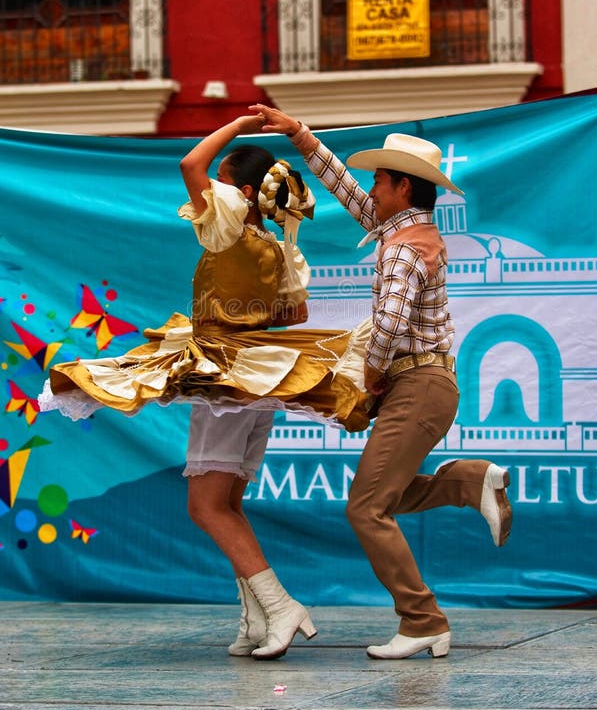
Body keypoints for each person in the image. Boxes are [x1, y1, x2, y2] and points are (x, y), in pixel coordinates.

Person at [43, 112, 371, 660]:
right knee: (228, 503)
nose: (208, 187)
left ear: (242, 191)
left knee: (205, 506)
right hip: (261, 374)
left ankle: (283, 605)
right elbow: (295, 312)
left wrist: (239, 125)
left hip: (224, 375)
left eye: (221, 181)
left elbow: (187, 161)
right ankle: (255, 618)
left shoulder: (228, 223)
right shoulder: (280, 247)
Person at [250, 102, 513, 661]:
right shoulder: (404, 228)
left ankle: (422, 621)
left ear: (402, 186)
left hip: (415, 386)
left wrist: (367, 385)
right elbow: (344, 188)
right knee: (379, 499)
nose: (370, 185)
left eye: (379, 178)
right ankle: (469, 484)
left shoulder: (403, 249)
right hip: (423, 387)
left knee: (367, 508)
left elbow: (389, 326)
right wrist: (299, 134)